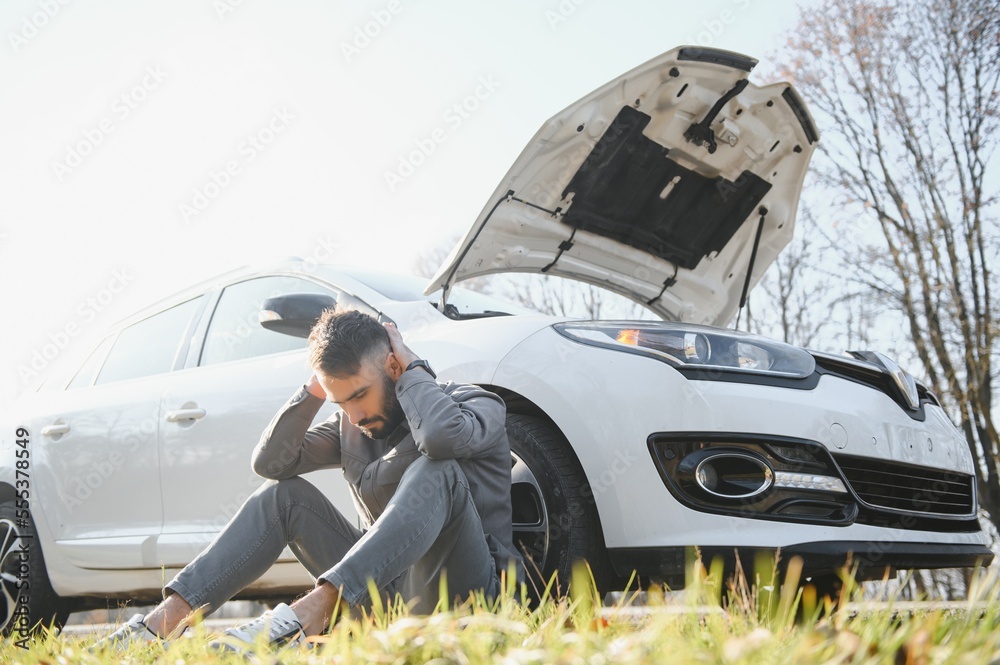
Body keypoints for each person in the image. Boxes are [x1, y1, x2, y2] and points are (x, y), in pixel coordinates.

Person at [94, 308, 522, 650]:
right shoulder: (351, 428)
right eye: (341, 401)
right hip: (384, 601)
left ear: (394, 366)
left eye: (359, 394)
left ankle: (312, 611)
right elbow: (271, 463)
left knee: (438, 470)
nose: (355, 414)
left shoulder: (473, 405)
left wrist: (414, 370)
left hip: (471, 598)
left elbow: (441, 439)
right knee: (284, 497)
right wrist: (316, 390)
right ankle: (161, 624)